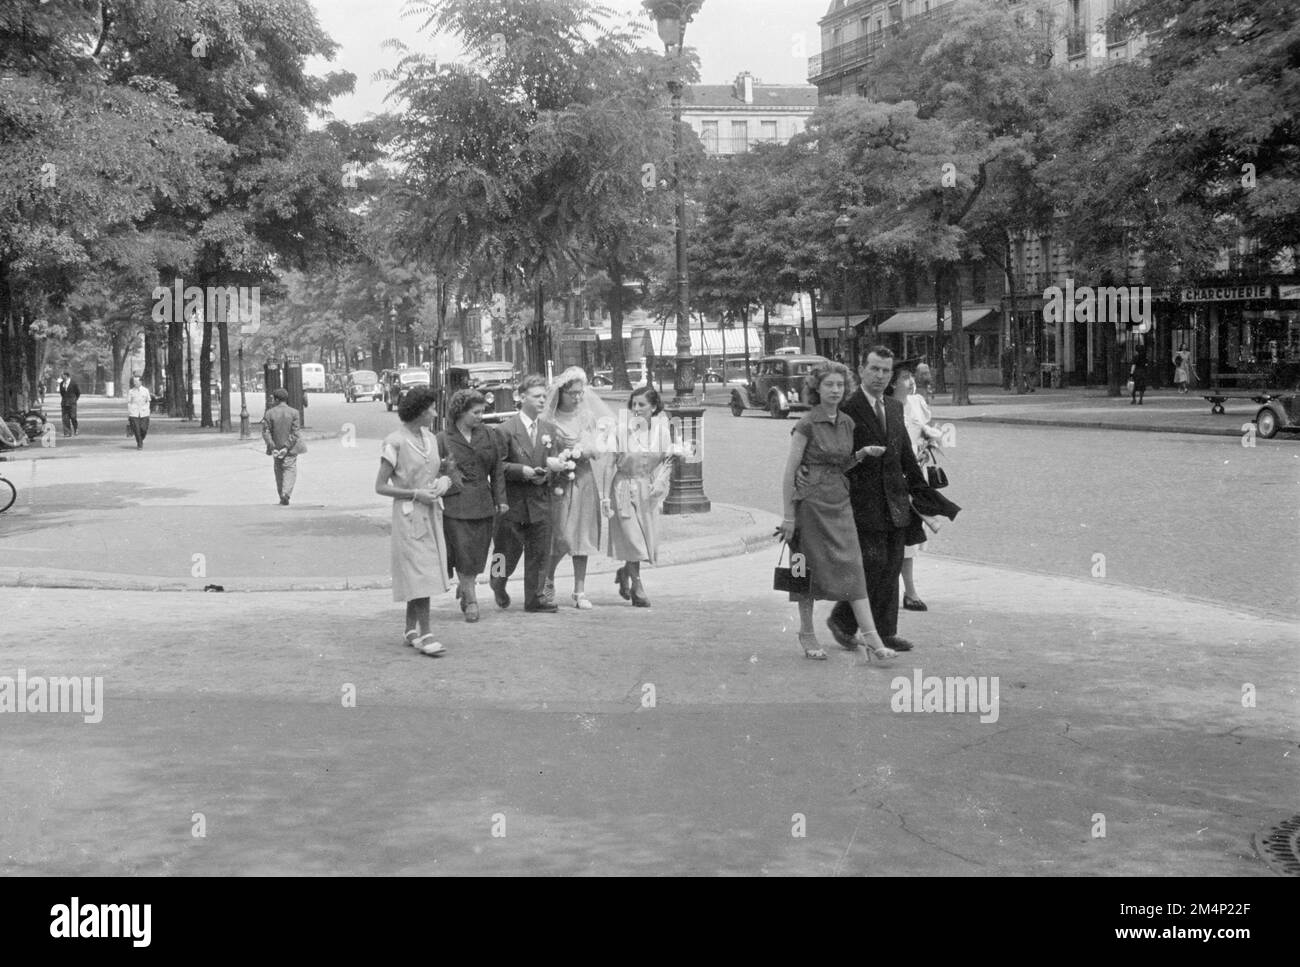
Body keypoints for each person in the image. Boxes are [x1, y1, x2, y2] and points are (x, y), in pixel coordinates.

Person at [778, 361, 896, 662]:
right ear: (817, 388)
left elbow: (841, 464)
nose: (834, 390)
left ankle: (872, 639)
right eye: (829, 384)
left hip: (839, 504)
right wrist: (788, 516)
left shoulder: (847, 422)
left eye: (840, 385)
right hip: (811, 507)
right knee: (806, 572)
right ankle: (806, 633)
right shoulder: (806, 423)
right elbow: (790, 471)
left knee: (854, 568)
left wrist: (861, 454)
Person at [827, 347, 927, 654]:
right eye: (874, 369)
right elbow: (837, 459)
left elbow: (906, 456)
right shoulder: (848, 408)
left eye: (886, 370)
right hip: (861, 502)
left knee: (892, 565)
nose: (881, 376)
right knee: (872, 564)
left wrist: (926, 498)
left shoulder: (895, 408)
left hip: (895, 502)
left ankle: (886, 632)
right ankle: (843, 620)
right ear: (860, 369)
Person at [375, 386, 459, 657]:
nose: (436, 413)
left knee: (422, 572)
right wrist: (414, 493)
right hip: (409, 516)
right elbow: (380, 486)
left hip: (432, 513)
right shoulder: (395, 441)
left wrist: (443, 481)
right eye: (433, 408)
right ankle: (426, 634)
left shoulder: (430, 438)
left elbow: (436, 469)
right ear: (421, 411)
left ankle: (410, 629)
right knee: (421, 575)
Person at [542, 367, 614, 609]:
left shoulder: (586, 418)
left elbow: (599, 445)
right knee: (560, 535)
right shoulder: (549, 421)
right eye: (572, 393)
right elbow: (544, 452)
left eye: (580, 393)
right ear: (561, 393)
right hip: (560, 484)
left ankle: (579, 590)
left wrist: (589, 449)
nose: (578, 398)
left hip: (583, 480)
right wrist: (556, 461)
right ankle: (548, 579)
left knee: (583, 534)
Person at [491, 374, 560, 613]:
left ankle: (535, 597)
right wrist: (522, 470)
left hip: (540, 501)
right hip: (513, 503)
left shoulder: (549, 429)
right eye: (536, 396)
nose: (542, 401)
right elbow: (496, 467)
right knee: (504, 551)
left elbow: (556, 461)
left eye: (544, 396)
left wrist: (548, 473)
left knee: (539, 552)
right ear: (521, 397)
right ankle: (497, 580)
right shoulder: (505, 430)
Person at [438, 389, 508, 624]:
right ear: (460, 412)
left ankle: (466, 586)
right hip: (455, 505)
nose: (480, 416)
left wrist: (501, 499)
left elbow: (497, 469)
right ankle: (471, 600)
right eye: (475, 412)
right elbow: (433, 470)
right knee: (463, 553)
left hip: (483, 503)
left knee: (477, 555)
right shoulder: (443, 439)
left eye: (482, 412)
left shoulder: (489, 435)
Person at [606, 386, 675, 608]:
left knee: (646, 541)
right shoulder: (620, 430)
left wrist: (661, 481)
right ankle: (638, 587)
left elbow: (668, 459)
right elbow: (609, 465)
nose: (636, 409)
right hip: (624, 487)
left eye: (641, 404)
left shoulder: (662, 431)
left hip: (647, 490)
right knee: (634, 540)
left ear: (653, 407)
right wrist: (604, 497)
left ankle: (625, 571)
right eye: (633, 404)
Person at [895, 362, 942, 612]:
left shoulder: (916, 403)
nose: (910, 381)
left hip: (913, 475)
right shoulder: (884, 406)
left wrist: (927, 448)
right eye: (904, 377)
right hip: (894, 476)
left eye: (911, 376)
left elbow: (926, 434)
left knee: (910, 538)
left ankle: (910, 590)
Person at [260, 388, 303, 505]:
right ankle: (286, 493)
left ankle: (281, 494)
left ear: (276, 399)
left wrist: (272, 446)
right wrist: (286, 447)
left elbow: (266, 431)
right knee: (290, 469)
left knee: (278, 470)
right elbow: (295, 433)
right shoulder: (294, 413)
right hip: (291, 448)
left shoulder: (269, 413)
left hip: (276, 448)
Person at [126, 376, 152, 449]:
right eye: (134, 382)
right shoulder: (131, 391)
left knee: (143, 429)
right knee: (136, 429)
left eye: (136, 381)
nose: (135, 383)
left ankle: (140, 438)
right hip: (134, 413)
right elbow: (129, 402)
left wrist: (147, 409)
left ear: (141, 382)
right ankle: (139, 443)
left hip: (144, 412)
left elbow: (148, 401)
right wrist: (130, 412)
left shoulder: (145, 390)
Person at [58, 371, 80, 437]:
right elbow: (62, 393)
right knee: (65, 418)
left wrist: (74, 400)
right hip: (64, 403)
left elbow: (78, 393)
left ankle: (76, 429)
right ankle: (67, 432)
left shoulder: (73, 383)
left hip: (72, 403)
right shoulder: (61, 383)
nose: (61, 376)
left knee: (73, 417)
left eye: (62, 375)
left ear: (66, 376)